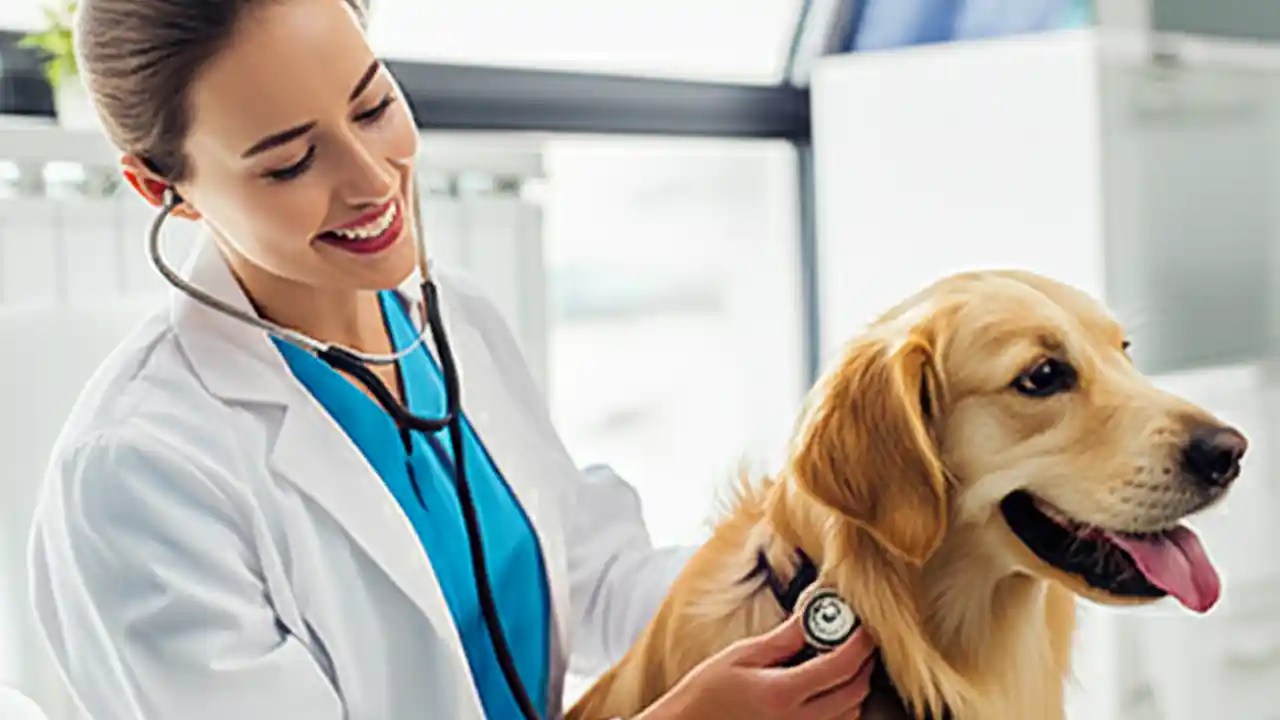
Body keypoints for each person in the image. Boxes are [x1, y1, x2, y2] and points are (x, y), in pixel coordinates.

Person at [26, 1, 879, 718]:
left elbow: (598, 583)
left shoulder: (452, 318)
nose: (372, 181)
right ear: (160, 188)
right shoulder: (139, 473)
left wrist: (815, 561)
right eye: (290, 163)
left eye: (372, 107)